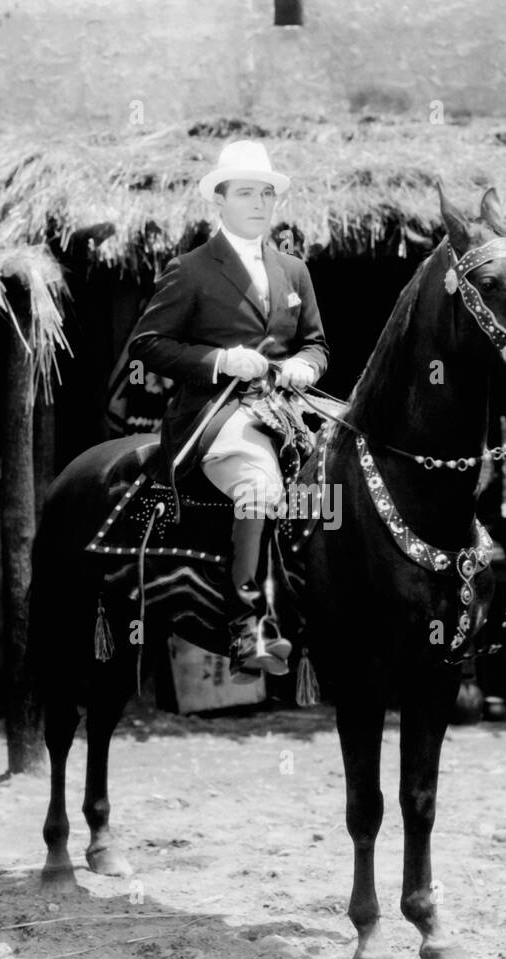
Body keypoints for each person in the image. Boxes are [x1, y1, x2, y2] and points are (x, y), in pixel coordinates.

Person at [127, 140, 329, 678]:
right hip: (216, 412)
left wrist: (306, 367)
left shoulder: (294, 270)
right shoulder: (190, 270)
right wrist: (219, 359)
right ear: (219, 200)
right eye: (245, 193)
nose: (259, 203)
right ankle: (246, 626)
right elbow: (147, 344)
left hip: (288, 407)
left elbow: (316, 343)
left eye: (266, 193)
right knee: (260, 488)